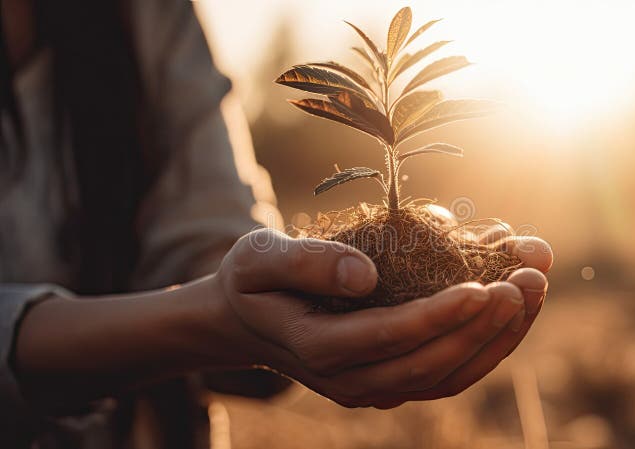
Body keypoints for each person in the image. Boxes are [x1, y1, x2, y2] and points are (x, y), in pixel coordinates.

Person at [0, 0, 553, 447]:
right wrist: (211, 320)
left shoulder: (149, 16)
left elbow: (211, 244)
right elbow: (214, 304)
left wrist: (273, 305)